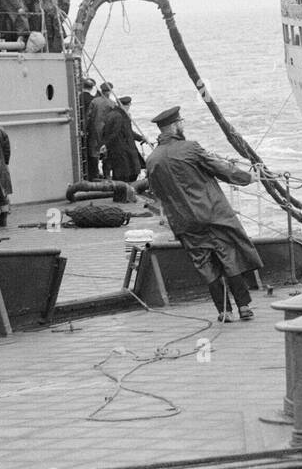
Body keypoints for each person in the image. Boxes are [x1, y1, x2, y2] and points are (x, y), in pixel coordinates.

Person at [144, 107, 263, 323]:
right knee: (229, 256)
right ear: (174, 126)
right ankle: (244, 306)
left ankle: (224, 311)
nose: (183, 125)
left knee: (205, 264)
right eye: (181, 122)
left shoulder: (152, 160)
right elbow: (220, 169)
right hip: (213, 214)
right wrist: (248, 177)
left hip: (183, 221)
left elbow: (156, 192)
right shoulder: (190, 147)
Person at [100, 96, 148, 184]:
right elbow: (115, 133)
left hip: (119, 150)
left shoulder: (112, 114)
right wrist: (106, 145)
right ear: (127, 105)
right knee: (128, 174)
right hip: (124, 150)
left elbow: (127, 131)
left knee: (123, 173)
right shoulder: (120, 116)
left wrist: (140, 138)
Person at [87, 82, 115, 177]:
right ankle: (107, 176)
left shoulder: (94, 101)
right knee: (107, 155)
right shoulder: (112, 103)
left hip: (94, 132)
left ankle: (94, 175)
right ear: (109, 91)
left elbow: (88, 117)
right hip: (106, 133)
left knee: (94, 154)